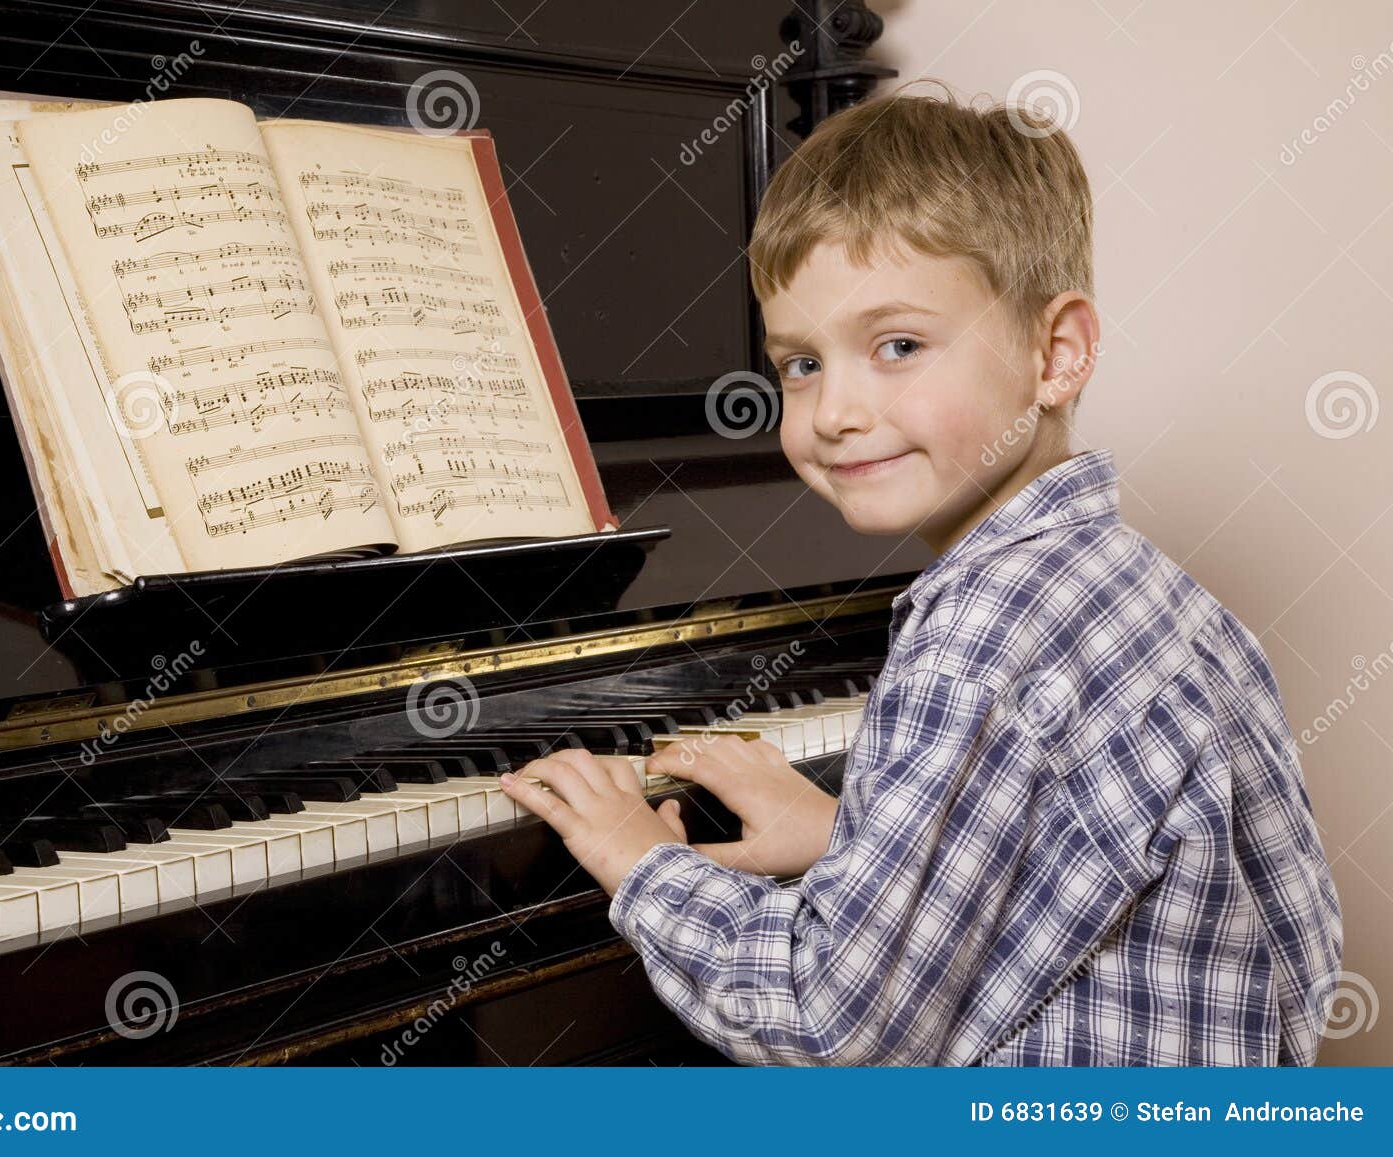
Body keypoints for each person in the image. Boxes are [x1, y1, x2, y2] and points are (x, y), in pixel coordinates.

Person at [497, 85, 1343, 1065]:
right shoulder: (1136, 586)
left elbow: (836, 1025)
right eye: (800, 363)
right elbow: (1287, 929)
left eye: (896, 345)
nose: (834, 411)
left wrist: (640, 862)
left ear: (1054, 353)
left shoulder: (975, 640)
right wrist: (847, 836)